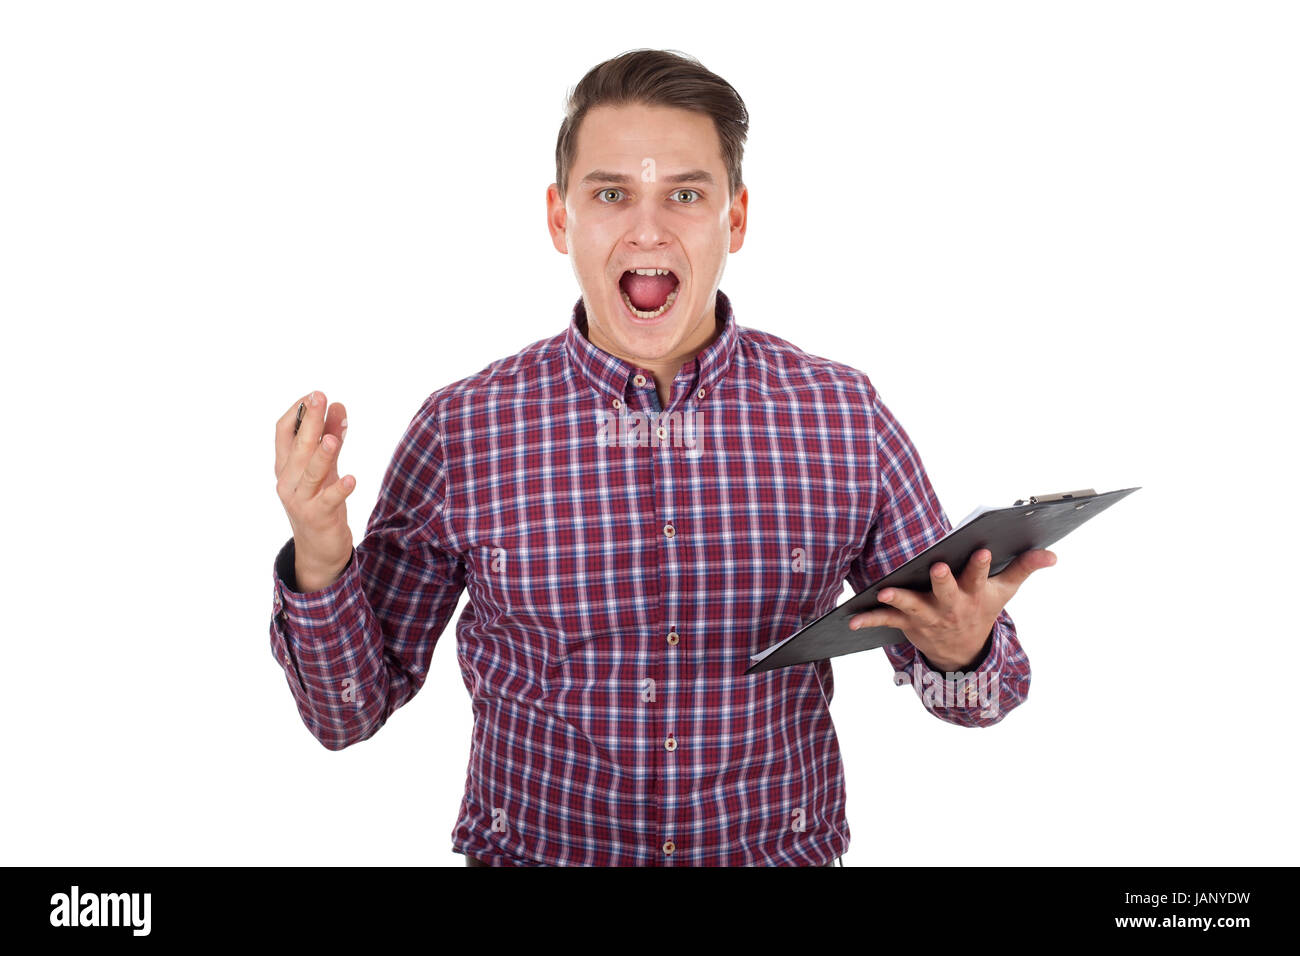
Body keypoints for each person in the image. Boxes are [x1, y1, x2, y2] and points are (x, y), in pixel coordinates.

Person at [269, 48, 1056, 867]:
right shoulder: (463, 431)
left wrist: (963, 650)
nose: (648, 228)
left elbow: (983, 698)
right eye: (612, 193)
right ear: (558, 217)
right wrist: (322, 558)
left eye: (685, 194)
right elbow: (346, 716)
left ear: (737, 219)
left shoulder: (843, 417)